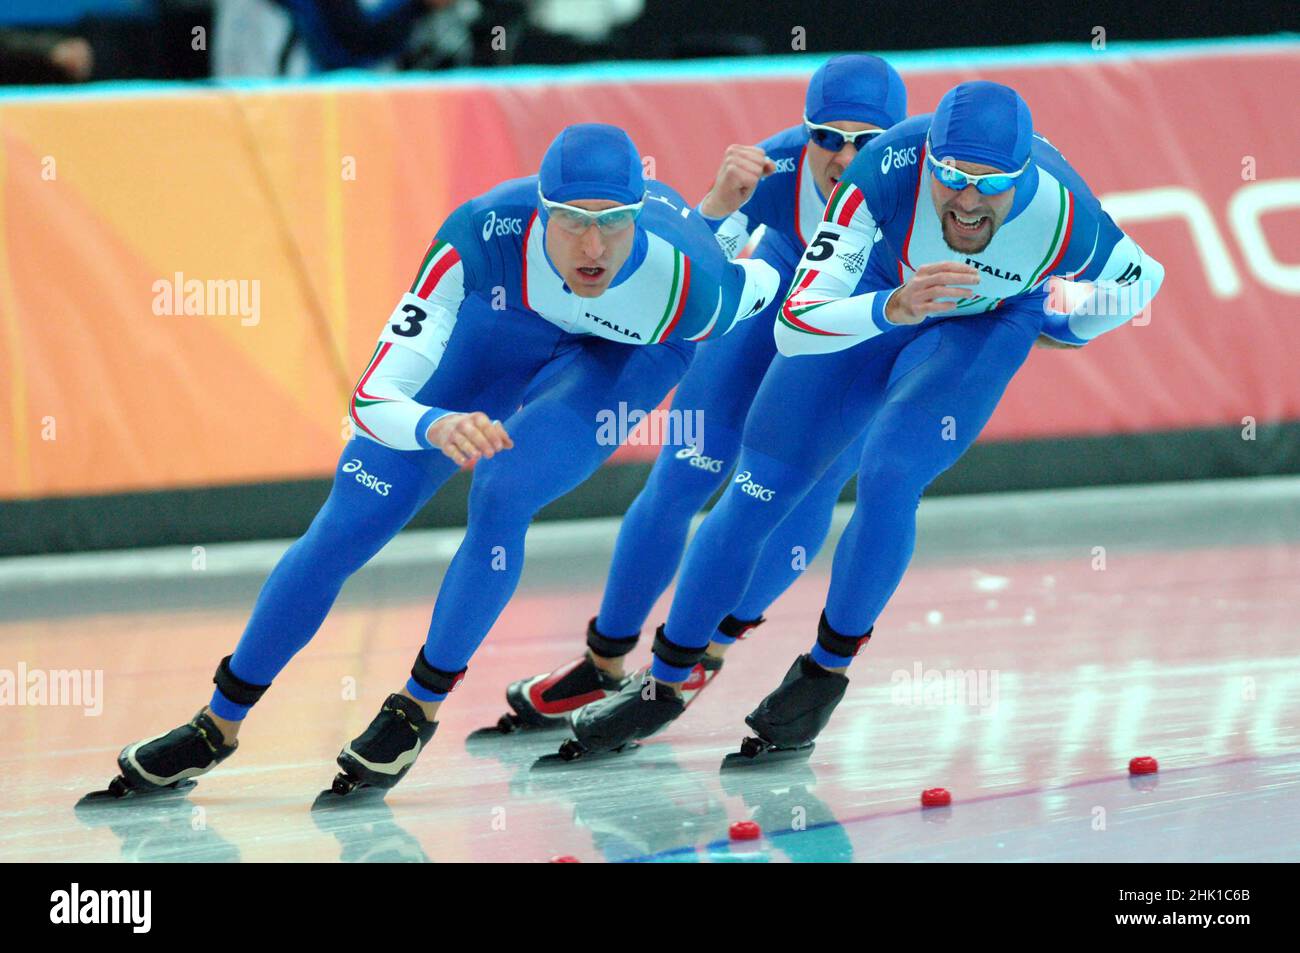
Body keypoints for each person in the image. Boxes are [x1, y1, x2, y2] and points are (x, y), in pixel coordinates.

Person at [94, 123, 779, 800]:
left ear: (638, 221)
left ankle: (417, 706)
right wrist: (433, 422)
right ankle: (218, 722)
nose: (592, 246)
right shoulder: (479, 237)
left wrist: (719, 210)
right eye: (570, 222)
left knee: (504, 488)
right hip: (502, 331)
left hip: (626, 356)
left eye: (612, 224)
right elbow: (372, 398)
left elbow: (774, 275)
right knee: (347, 522)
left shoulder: (695, 287)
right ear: (539, 212)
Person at [560, 81, 1166, 762]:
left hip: (984, 325)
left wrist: (1067, 326)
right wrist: (891, 308)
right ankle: (666, 682)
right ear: (927, 157)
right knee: (758, 487)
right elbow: (796, 325)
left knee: (889, 473)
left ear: (1023, 176)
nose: (966, 200)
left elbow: (1142, 279)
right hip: (885, 290)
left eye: (988, 185)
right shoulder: (885, 168)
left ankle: (824, 671)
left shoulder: (1067, 213)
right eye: (951, 177)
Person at [484, 54, 908, 736]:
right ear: (806, 134)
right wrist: (718, 205)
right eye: (828, 136)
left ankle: (704, 649)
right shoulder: (775, 169)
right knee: (683, 473)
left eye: (866, 141)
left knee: (804, 485)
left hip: (858, 323)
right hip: (773, 295)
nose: (845, 155)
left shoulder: (922, 190)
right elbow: (685, 257)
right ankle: (605, 657)